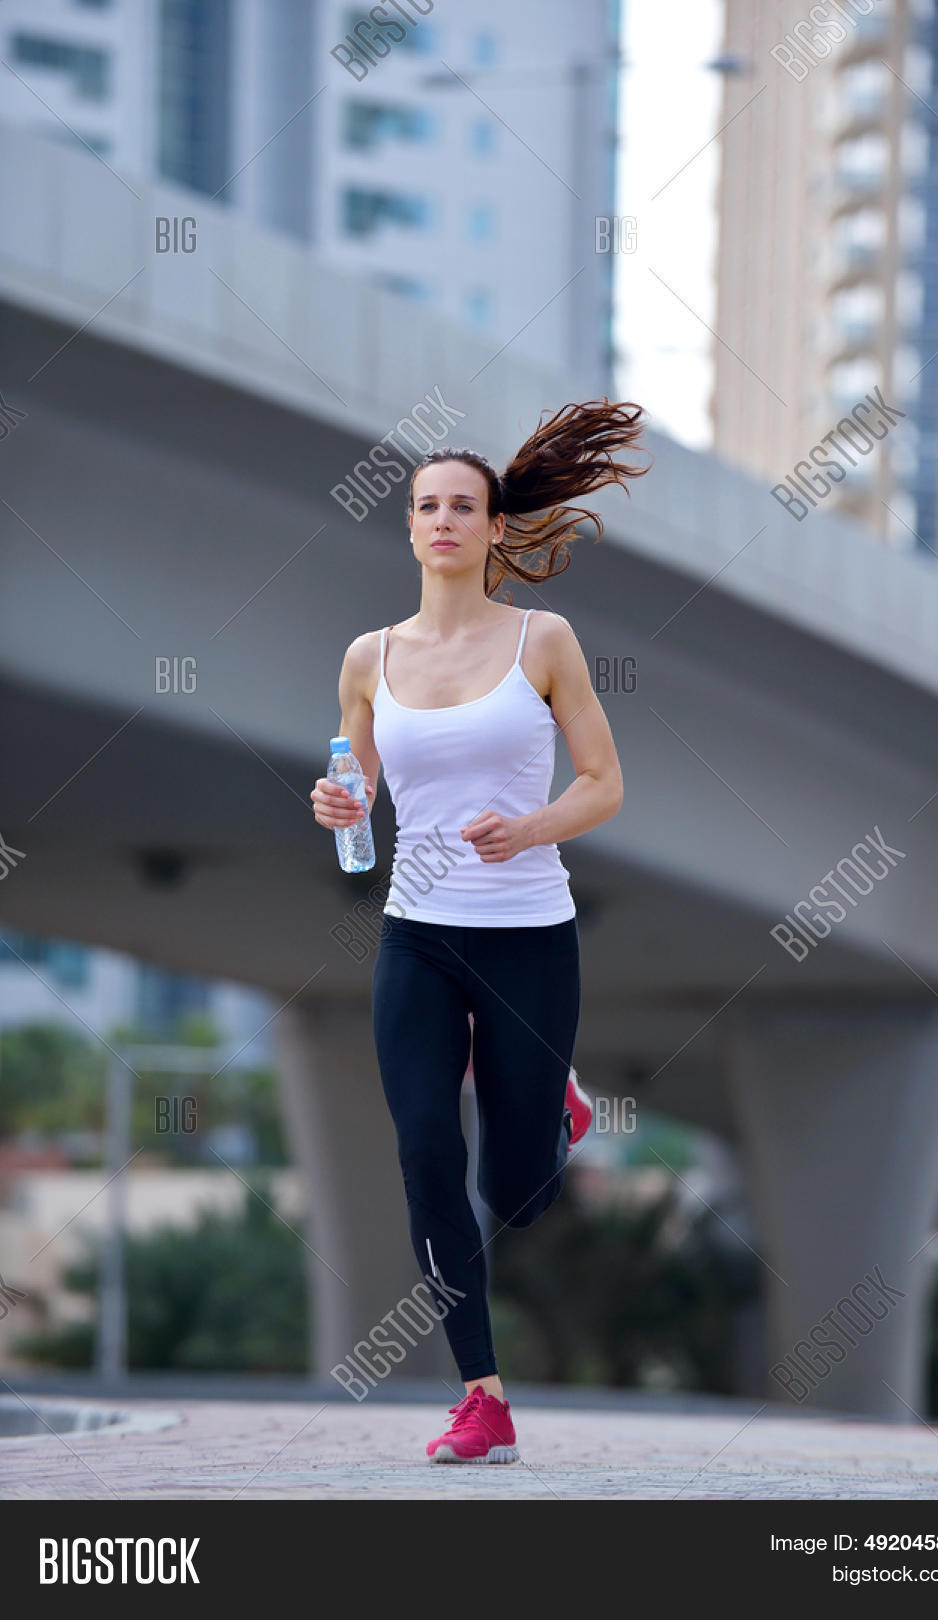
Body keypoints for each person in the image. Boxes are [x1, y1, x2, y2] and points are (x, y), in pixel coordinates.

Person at [311, 398, 649, 1463]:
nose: (444, 520)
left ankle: (555, 1110)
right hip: (416, 935)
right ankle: (481, 1396)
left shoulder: (540, 640)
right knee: (422, 1151)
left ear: (496, 528)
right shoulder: (367, 657)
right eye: (427, 506)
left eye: (464, 505)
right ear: (408, 528)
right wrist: (339, 807)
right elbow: (356, 785)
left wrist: (533, 826)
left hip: (526, 936)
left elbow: (603, 785)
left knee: (518, 1192)